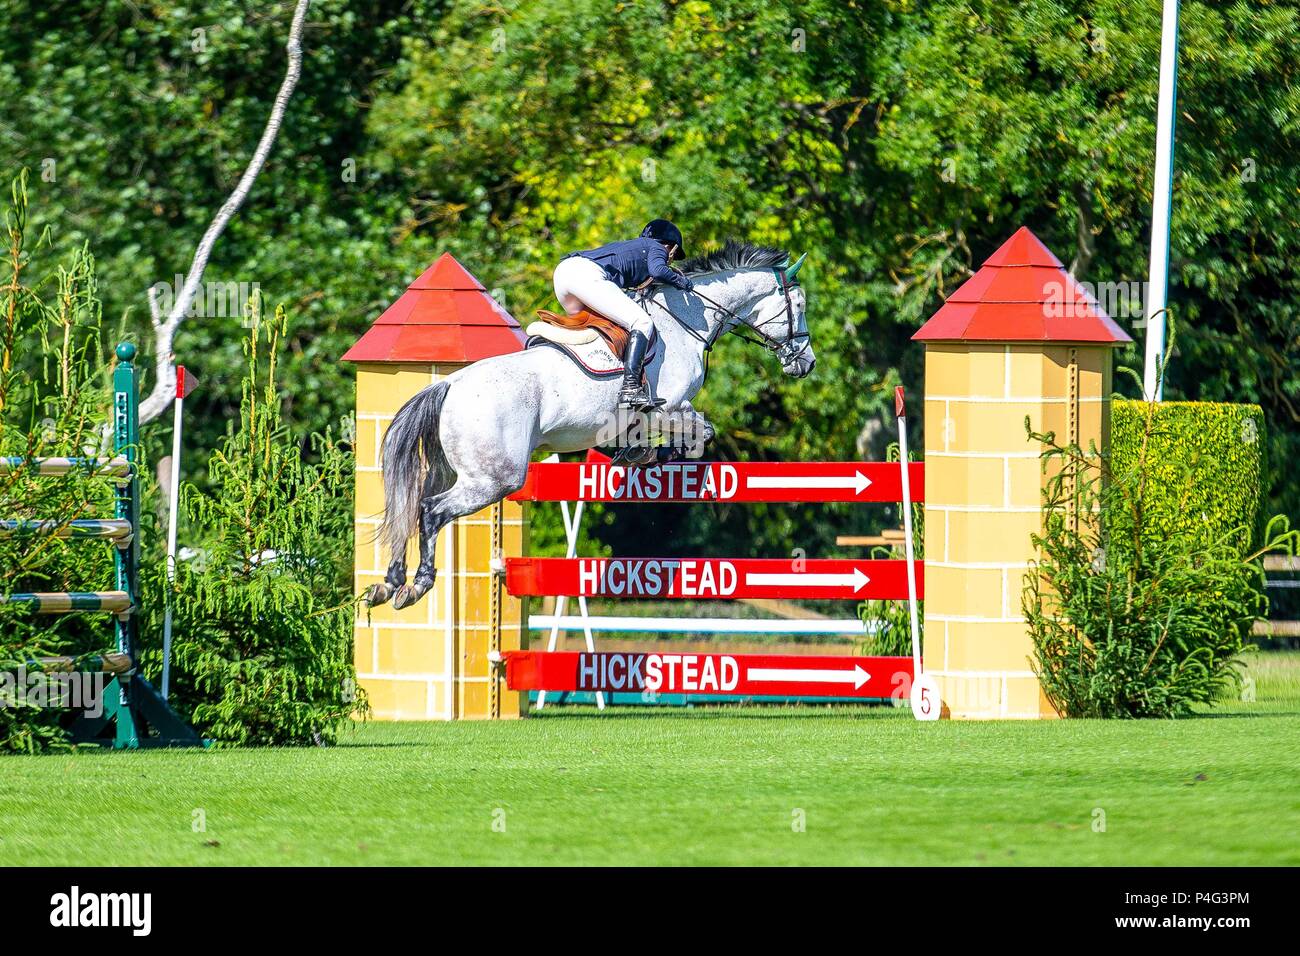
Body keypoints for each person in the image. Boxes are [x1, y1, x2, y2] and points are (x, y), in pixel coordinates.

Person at [553, 219, 694, 409]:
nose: (670, 259)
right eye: (673, 256)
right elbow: (658, 270)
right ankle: (630, 388)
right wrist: (683, 282)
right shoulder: (657, 247)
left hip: (563, 275)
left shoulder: (635, 247)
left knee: (604, 329)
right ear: (670, 246)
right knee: (642, 322)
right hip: (586, 275)